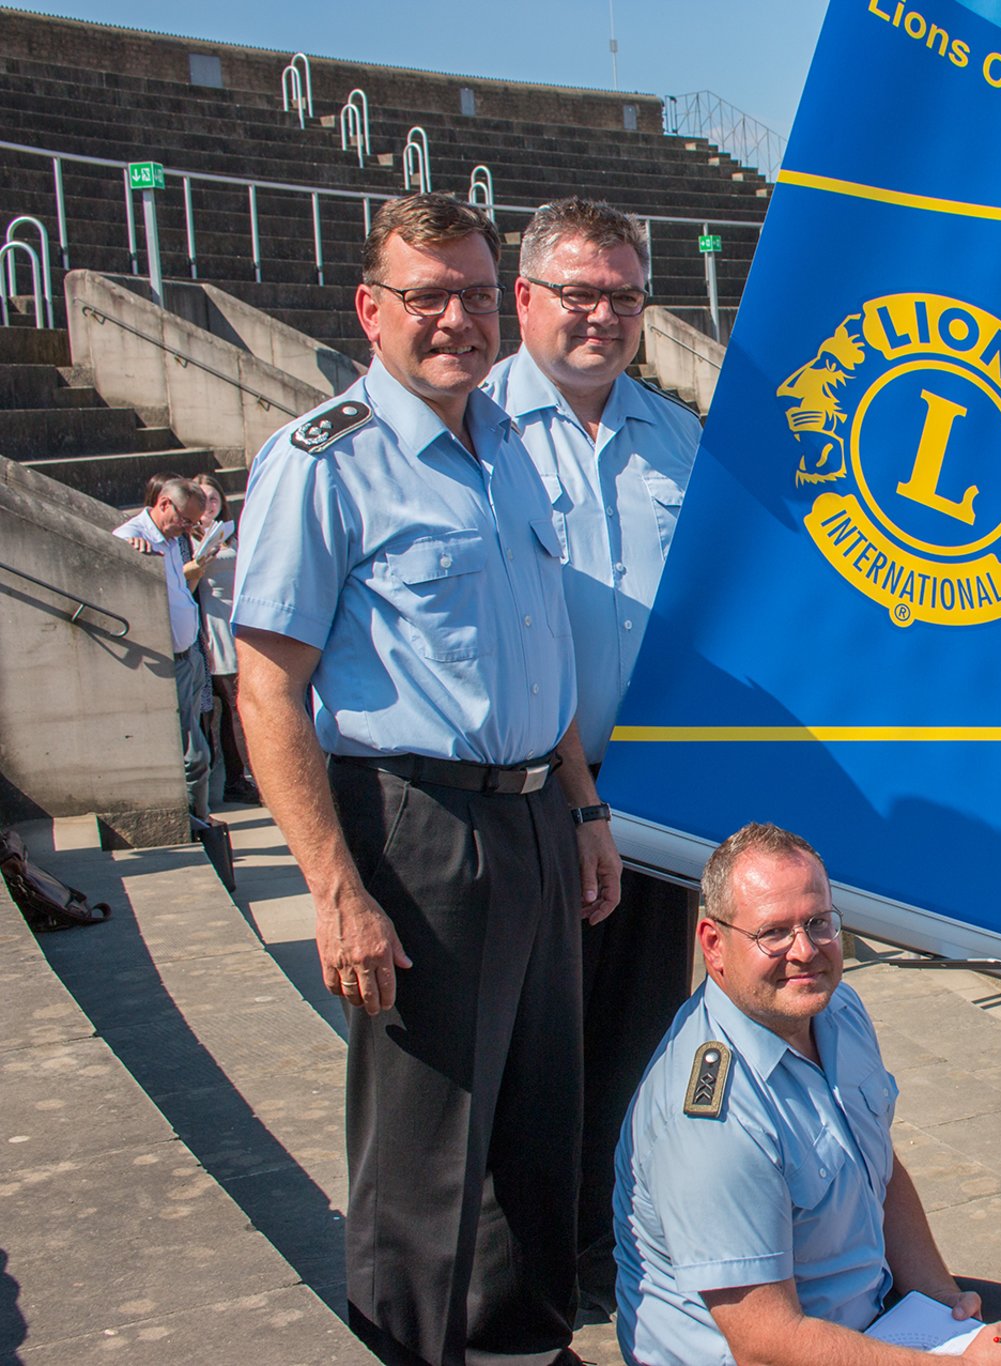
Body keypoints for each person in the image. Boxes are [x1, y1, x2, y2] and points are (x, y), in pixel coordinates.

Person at [232, 192, 621, 1366]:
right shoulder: (324, 462)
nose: (458, 318)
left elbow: (540, 650)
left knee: (537, 1126)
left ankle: (521, 1351)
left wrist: (581, 805)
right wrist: (335, 890)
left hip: (535, 815)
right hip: (415, 827)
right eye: (428, 296)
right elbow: (268, 694)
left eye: (477, 295)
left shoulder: (508, 445)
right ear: (371, 309)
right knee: (424, 1152)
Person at [615, 821, 1001, 1366]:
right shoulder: (711, 1121)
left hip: (864, 1310)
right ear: (714, 944)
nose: (805, 951)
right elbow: (765, 1343)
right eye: (773, 933)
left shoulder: (837, 1011)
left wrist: (939, 1297)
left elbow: (879, 1170)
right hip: (773, 1350)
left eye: (818, 923)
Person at [481, 196, 702, 1315]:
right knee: (534, 1045)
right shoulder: (477, 429)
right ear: (524, 297)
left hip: (654, 792)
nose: (603, 315)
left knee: (640, 1038)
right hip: (530, 792)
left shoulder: (678, 436)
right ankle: (528, 1272)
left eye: (624, 295)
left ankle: (609, 1253)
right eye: (579, 293)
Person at [112, 474, 212, 821]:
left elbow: (178, 591)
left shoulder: (169, 538)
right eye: (184, 520)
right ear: (164, 503)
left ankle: (200, 816)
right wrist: (130, 552)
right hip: (167, 662)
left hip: (189, 655)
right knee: (193, 755)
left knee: (195, 749)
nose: (186, 529)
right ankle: (194, 821)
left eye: (192, 523)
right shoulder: (132, 537)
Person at [189, 471, 258, 806]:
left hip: (239, 623)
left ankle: (241, 777)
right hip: (213, 627)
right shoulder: (189, 539)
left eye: (214, 498)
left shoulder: (231, 535)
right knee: (232, 707)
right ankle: (238, 779)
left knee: (239, 706)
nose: (209, 505)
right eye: (202, 500)